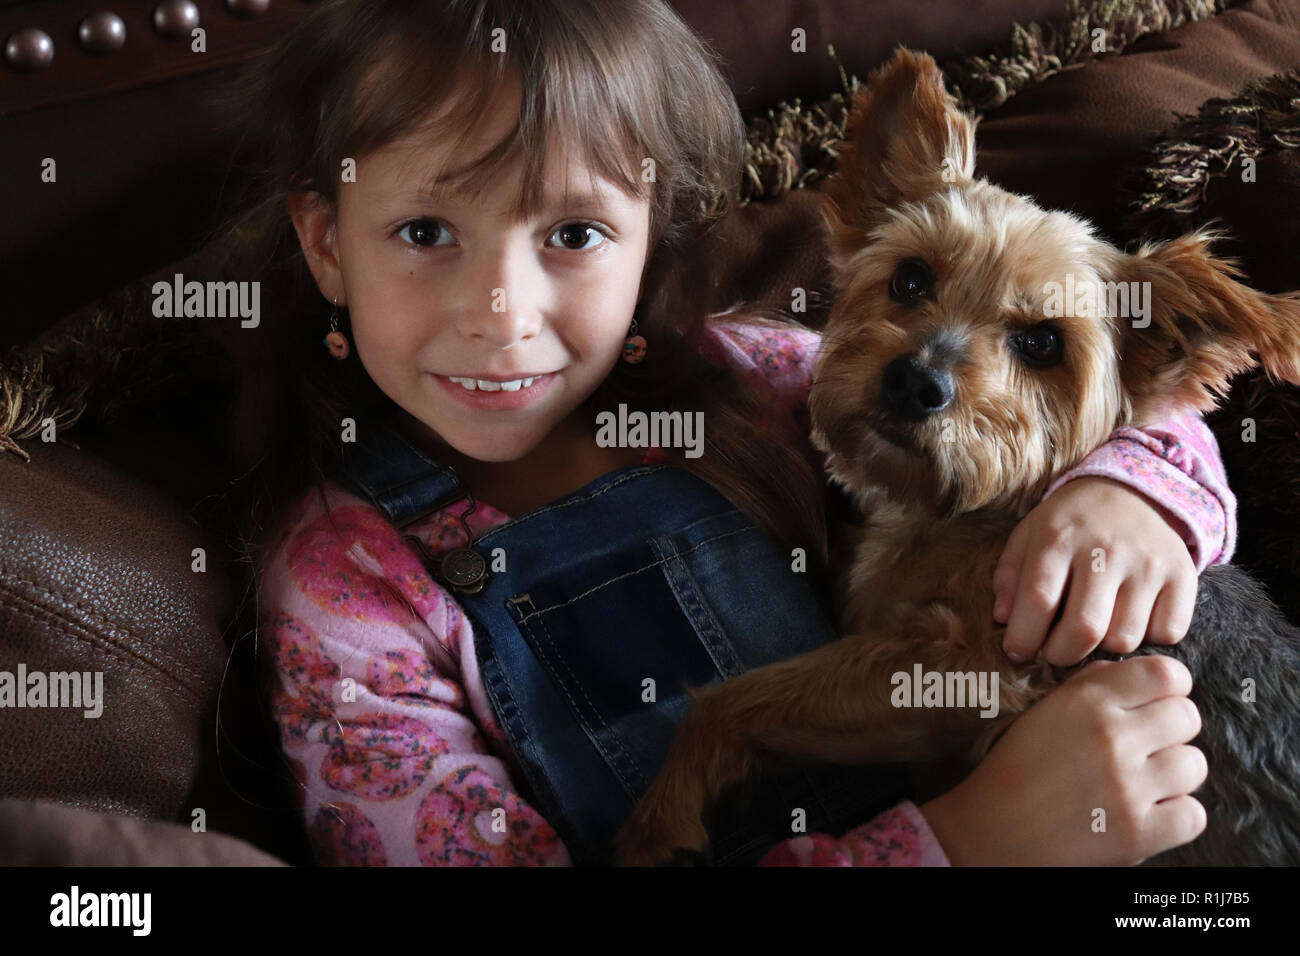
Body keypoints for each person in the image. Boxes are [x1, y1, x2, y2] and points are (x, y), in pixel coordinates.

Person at [218, 0, 1229, 866]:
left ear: (653, 230)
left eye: (572, 234)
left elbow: (1145, 403)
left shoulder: (747, 379)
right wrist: (956, 843)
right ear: (325, 243)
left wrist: (1135, 490)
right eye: (426, 232)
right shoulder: (348, 591)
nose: (501, 312)